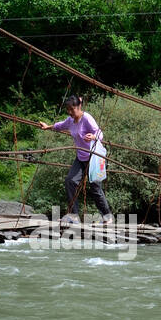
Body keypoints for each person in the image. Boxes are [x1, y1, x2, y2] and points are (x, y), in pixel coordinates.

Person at [37, 95, 114, 224]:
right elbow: (60, 126)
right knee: (70, 181)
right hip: (80, 157)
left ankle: (107, 217)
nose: (70, 112)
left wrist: (94, 136)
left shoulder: (87, 118)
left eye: (72, 109)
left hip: (93, 158)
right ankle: (73, 216)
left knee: (95, 188)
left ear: (79, 107)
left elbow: (100, 133)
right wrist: (47, 127)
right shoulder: (70, 120)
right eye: (68, 110)